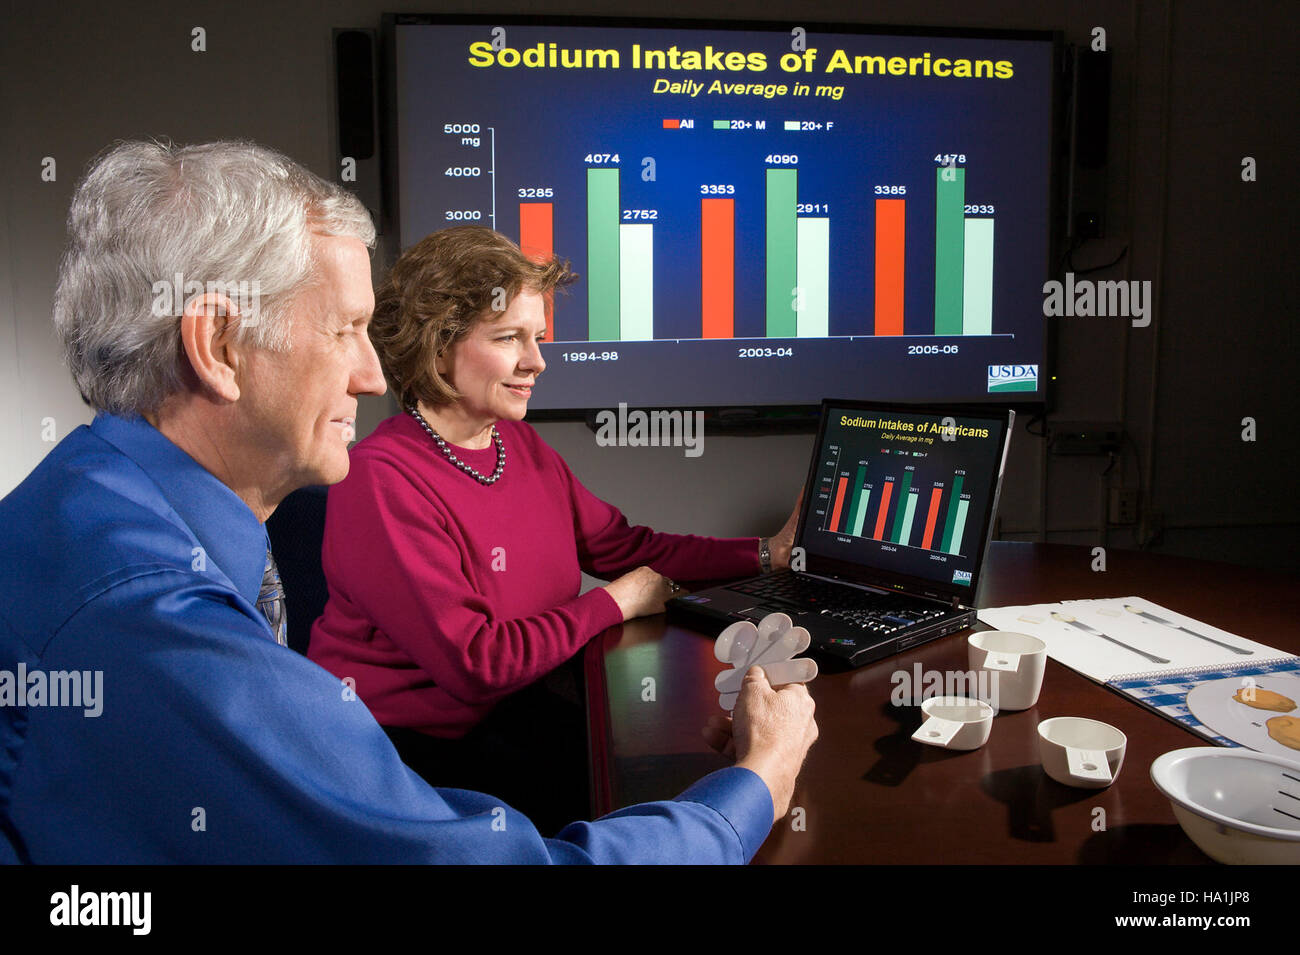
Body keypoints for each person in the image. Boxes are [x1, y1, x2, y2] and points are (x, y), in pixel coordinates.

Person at [0, 140, 818, 864]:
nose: (370, 374)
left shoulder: (92, 504)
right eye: (344, 330)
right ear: (218, 347)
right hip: (432, 749)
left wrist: (765, 556)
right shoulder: (156, 620)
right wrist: (757, 782)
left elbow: (623, 541)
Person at [307, 226, 802, 830]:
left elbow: (626, 548)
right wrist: (616, 602)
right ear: (436, 348)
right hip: (410, 756)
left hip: (521, 704)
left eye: (537, 338)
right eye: (509, 338)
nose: (536, 362)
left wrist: (768, 554)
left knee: (681, 768)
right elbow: (475, 663)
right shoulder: (381, 478)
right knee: (640, 801)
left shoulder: (516, 443)